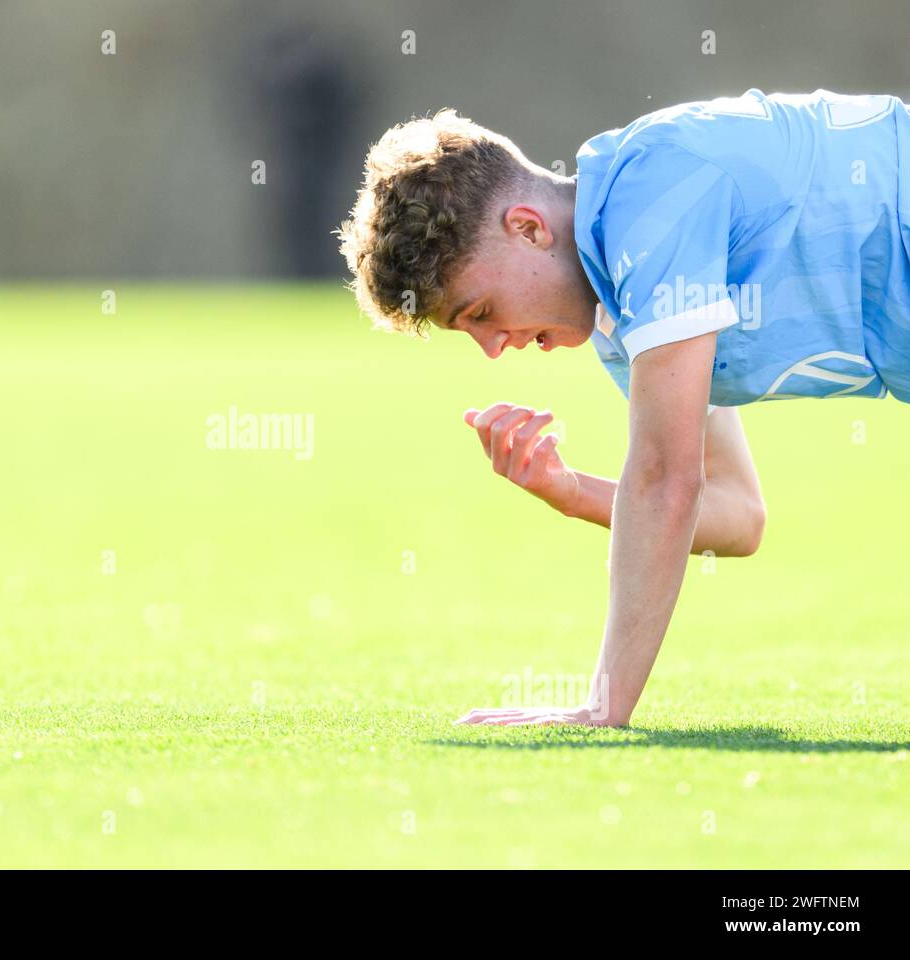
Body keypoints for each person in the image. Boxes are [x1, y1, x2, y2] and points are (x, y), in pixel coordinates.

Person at [335, 89, 910, 726]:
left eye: (481, 313)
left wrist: (600, 710)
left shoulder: (649, 201)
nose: (494, 348)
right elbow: (737, 515)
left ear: (528, 228)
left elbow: (665, 482)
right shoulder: (623, 308)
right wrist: (570, 490)